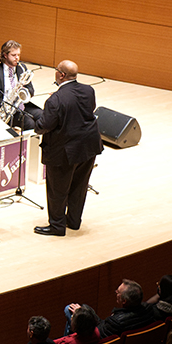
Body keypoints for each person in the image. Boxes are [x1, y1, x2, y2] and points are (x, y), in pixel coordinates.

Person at [33, 60, 103, 236]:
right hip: (88, 147)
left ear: (61, 75)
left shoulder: (55, 99)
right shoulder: (89, 90)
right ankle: (73, 221)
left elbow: (43, 126)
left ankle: (57, 226)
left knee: (58, 189)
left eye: (57, 70)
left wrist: (45, 111)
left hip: (64, 152)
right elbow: (84, 111)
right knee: (80, 186)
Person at [0, 40, 43, 130]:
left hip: (21, 105)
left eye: (18, 55)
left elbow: (31, 90)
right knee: (30, 124)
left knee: (43, 116)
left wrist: (24, 91)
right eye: (13, 55)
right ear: (5, 55)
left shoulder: (21, 68)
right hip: (6, 110)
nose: (17, 58)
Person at [66, 279, 155, 338]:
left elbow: (98, 330)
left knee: (69, 310)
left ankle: (67, 340)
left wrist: (82, 312)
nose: (116, 292)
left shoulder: (116, 322)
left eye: (118, 292)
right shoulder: (149, 310)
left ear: (124, 301)